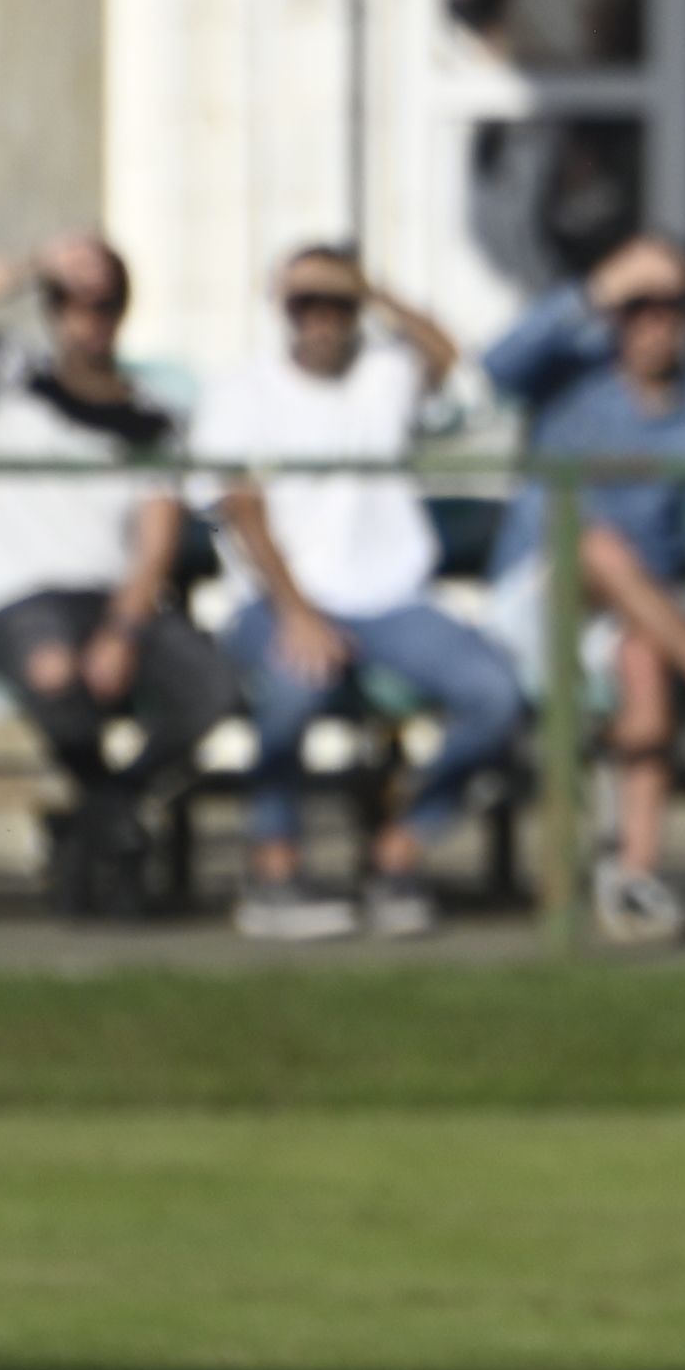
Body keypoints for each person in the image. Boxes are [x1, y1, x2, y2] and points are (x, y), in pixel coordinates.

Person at [198, 247, 523, 941]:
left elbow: (448, 356)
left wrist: (371, 287)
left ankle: (399, 850)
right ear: (282, 310)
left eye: (334, 303)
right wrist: (299, 612)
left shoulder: (384, 374)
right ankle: (274, 867)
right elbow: (242, 508)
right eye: (303, 303)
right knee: (295, 686)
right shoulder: (241, 393)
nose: (320, 318)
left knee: (494, 691)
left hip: (390, 597)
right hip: (276, 598)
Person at [0, 232, 235, 920]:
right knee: (54, 671)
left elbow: (156, 532)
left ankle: (100, 814)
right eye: (71, 302)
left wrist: (125, 628)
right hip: (13, 592)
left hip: (107, 594)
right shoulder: (13, 375)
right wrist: (37, 262)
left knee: (211, 688)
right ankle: (116, 832)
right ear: (53, 309)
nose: (87, 319)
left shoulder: (150, 414)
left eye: (104, 304)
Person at [478, 231, 685, 947]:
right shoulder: (568, 377)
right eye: (636, 307)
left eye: (669, 306)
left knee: (644, 654)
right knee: (600, 545)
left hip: (639, 615)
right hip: (536, 595)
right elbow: (493, 366)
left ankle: (632, 877)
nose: (653, 323)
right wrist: (599, 288)